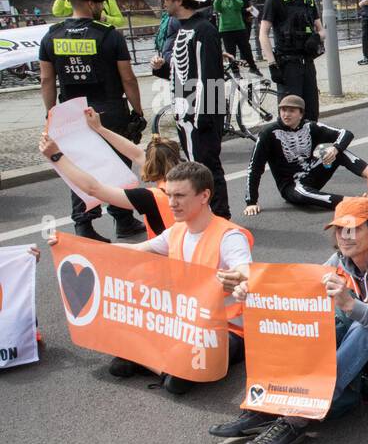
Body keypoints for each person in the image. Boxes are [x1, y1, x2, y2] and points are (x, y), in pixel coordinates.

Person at [210, 196, 368, 444]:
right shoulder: (341, 259)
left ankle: (297, 418)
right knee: (322, 319)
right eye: (340, 229)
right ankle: (268, 404)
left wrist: (352, 305)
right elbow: (297, 288)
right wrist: (254, 292)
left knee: (362, 327)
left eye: (354, 229)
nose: (345, 236)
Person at [59, 160, 253, 395]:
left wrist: (242, 280)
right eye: (169, 195)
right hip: (185, 322)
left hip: (227, 329)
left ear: (204, 196)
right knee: (120, 361)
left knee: (176, 383)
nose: (172, 203)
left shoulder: (229, 236)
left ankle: (154, 362)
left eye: (180, 196)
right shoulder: (177, 231)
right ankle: (163, 363)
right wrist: (73, 248)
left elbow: (245, 270)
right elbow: (136, 249)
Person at [38, 0, 147, 241]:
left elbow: (46, 79)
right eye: (99, 3)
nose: (101, 7)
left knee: (77, 166)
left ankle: (84, 226)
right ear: (90, 3)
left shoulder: (52, 35)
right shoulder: (109, 34)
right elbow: (128, 78)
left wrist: (51, 112)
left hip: (71, 111)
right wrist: (138, 111)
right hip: (109, 108)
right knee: (117, 165)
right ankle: (123, 220)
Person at [150, 0, 232, 219]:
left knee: (207, 166)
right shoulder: (183, 28)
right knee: (197, 164)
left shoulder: (204, 30)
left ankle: (220, 215)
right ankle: (208, 214)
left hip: (201, 110)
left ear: (178, 0)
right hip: (185, 108)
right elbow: (181, 74)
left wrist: (207, 114)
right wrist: (160, 69)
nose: (164, 3)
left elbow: (212, 73)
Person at [38, 106, 181, 239]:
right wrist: (99, 128)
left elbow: (93, 189)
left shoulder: (150, 198)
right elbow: (136, 154)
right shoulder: (193, 176)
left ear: (150, 165)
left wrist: (56, 156)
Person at [244, 95, 368, 213]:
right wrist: (251, 201)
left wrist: (335, 148)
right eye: (283, 110)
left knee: (339, 152)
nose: (286, 114)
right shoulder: (268, 133)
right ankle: (355, 202)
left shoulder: (310, 126)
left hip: (312, 173)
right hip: (291, 186)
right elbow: (254, 167)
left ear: (301, 114)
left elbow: (346, 133)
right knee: (303, 193)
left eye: (291, 111)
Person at [259, 0, 325, 124]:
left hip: (307, 62)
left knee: (311, 112)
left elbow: (322, 29)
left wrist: (317, 37)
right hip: (287, 64)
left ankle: (309, 147)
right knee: (290, 114)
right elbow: (263, 34)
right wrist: (272, 64)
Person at [213, 0, 261, 76]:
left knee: (246, 49)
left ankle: (253, 67)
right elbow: (217, 8)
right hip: (226, 29)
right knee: (231, 52)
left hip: (239, 27)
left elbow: (239, 5)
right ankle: (235, 72)